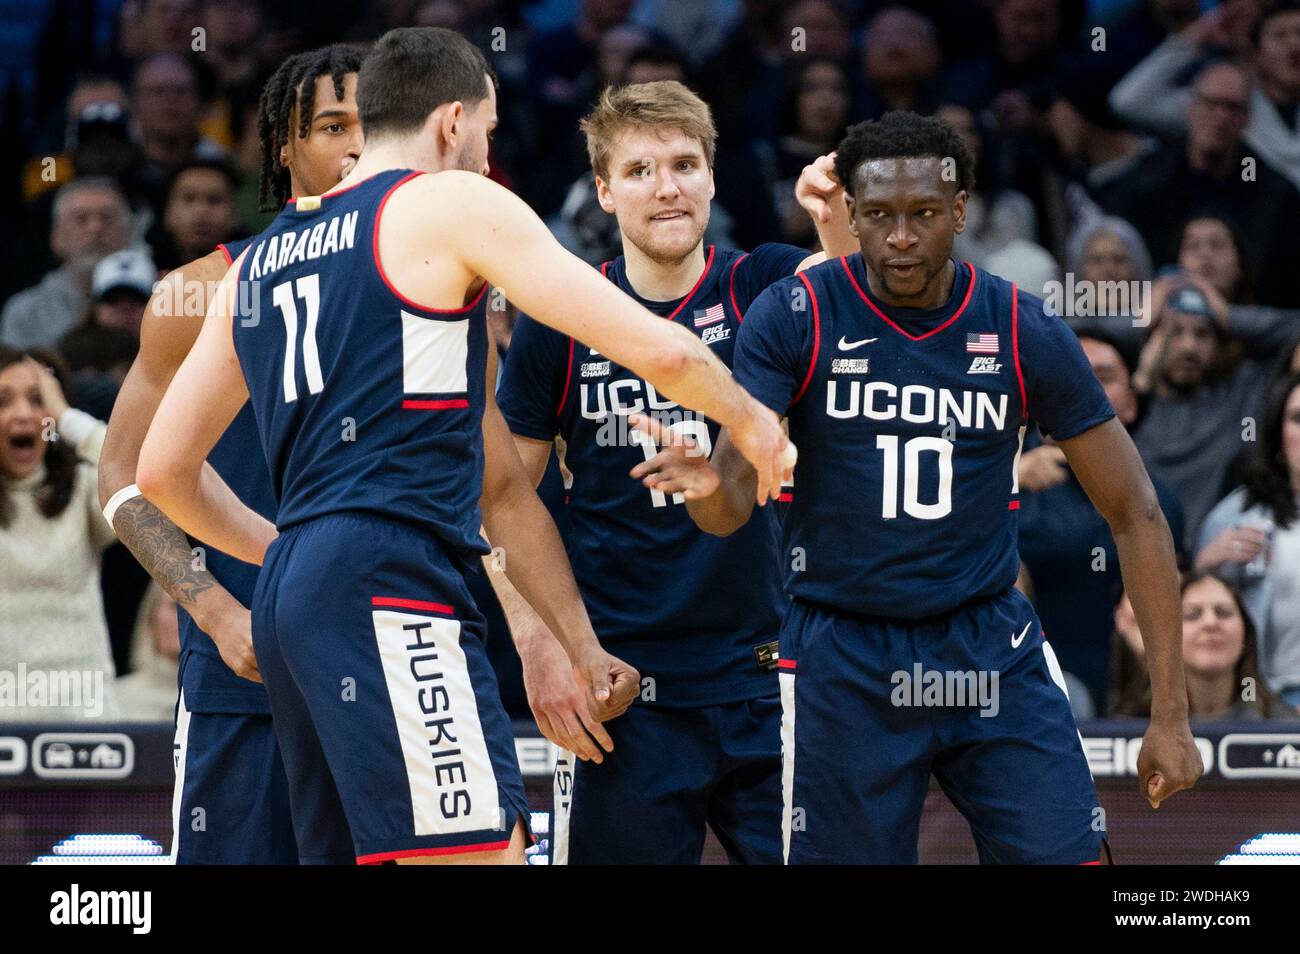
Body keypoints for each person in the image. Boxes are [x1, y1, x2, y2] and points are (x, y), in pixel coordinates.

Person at [136, 27, 792, 866]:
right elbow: (661, 350)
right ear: (451, 122)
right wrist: (753, 421)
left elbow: (164, 470)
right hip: (392, 571)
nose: (489, 157)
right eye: (486, 129)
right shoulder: (446, 204)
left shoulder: (260, 262)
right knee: (479, 854)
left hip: (298, 585)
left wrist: (296, 553)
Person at [633, 111, 1202, 863]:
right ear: (853, 217)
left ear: (961, 210)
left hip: (987, 641)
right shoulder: (796, 315)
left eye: (924, 214)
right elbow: (731, 504)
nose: (901, 236)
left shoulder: (1021, 325)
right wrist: (706, 485)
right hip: (845, 654)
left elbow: (1136, 511)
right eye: (878, 216)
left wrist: (1171, 713)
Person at [496, 79, 854, 865]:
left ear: (714, 177)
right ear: (603, 190)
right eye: (639, 170)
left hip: (776, 674)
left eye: (685, 164)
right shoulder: (562, 319)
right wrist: (541, 643)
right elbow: (500, 500)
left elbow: (865, 321)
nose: (667, 188)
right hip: (625, 686)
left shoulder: (763, 282)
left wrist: (838, 226)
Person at [100, 44, 368, 866]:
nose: (358, 147)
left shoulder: (436, 291)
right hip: (240, 671)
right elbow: (119, 474)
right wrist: (212, 610)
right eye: (332, 126)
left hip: (387, 663)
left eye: (373, 127)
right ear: (284, 149)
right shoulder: (197, 293)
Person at [1018, 329, 1185, 713]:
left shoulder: (1161, 501)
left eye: (1103, 378)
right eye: (1072, 374)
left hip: (1134, 697)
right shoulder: (1005, 484)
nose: (1082, 388)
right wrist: (1008, 479)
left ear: (1130, 404)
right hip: (1030, 692)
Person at [0, 348, 119, 722]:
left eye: (38, 400)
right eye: (3, 401)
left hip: (87, 715)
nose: (22, 414)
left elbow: (139, 480)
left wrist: (68, 419)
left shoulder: (84, 489)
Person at [1132, 280, 1274, 549]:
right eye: (1174, 332)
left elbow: (1291, 333)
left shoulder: (1239, 397)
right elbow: (1065, 331)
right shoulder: (1130, 407)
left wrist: (1228, 316)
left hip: (1215, 568)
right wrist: (1137, 321)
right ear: (1152, 341)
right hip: (1136, 570)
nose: (1188, 347)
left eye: (1202, 334)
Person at [1196, 371, 1300, 710]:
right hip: (1265, 703)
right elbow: (1192, 614)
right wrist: (1203, 569)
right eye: (1298, 419)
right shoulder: (1235, 517)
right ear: (1277, 439)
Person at [1113, 571, 1293, 721]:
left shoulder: (1283, 724)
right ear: (1168, 639)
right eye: (1192, 614)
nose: (1210, 623)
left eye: (1223, 613)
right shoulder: (1132, 725)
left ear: (1246, 634)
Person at [1, 178, 134, 350]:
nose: (95, 228)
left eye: (106, 218)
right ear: (56, 237)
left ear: (128, 233)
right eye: (81, 219)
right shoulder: (25, 313)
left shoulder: (156, 300)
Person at [116, 583, 182, 721]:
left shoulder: (221, 700)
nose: (187, 620)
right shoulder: (116, 699)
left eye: (194, 611)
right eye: (175, 607)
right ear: (151, 618)